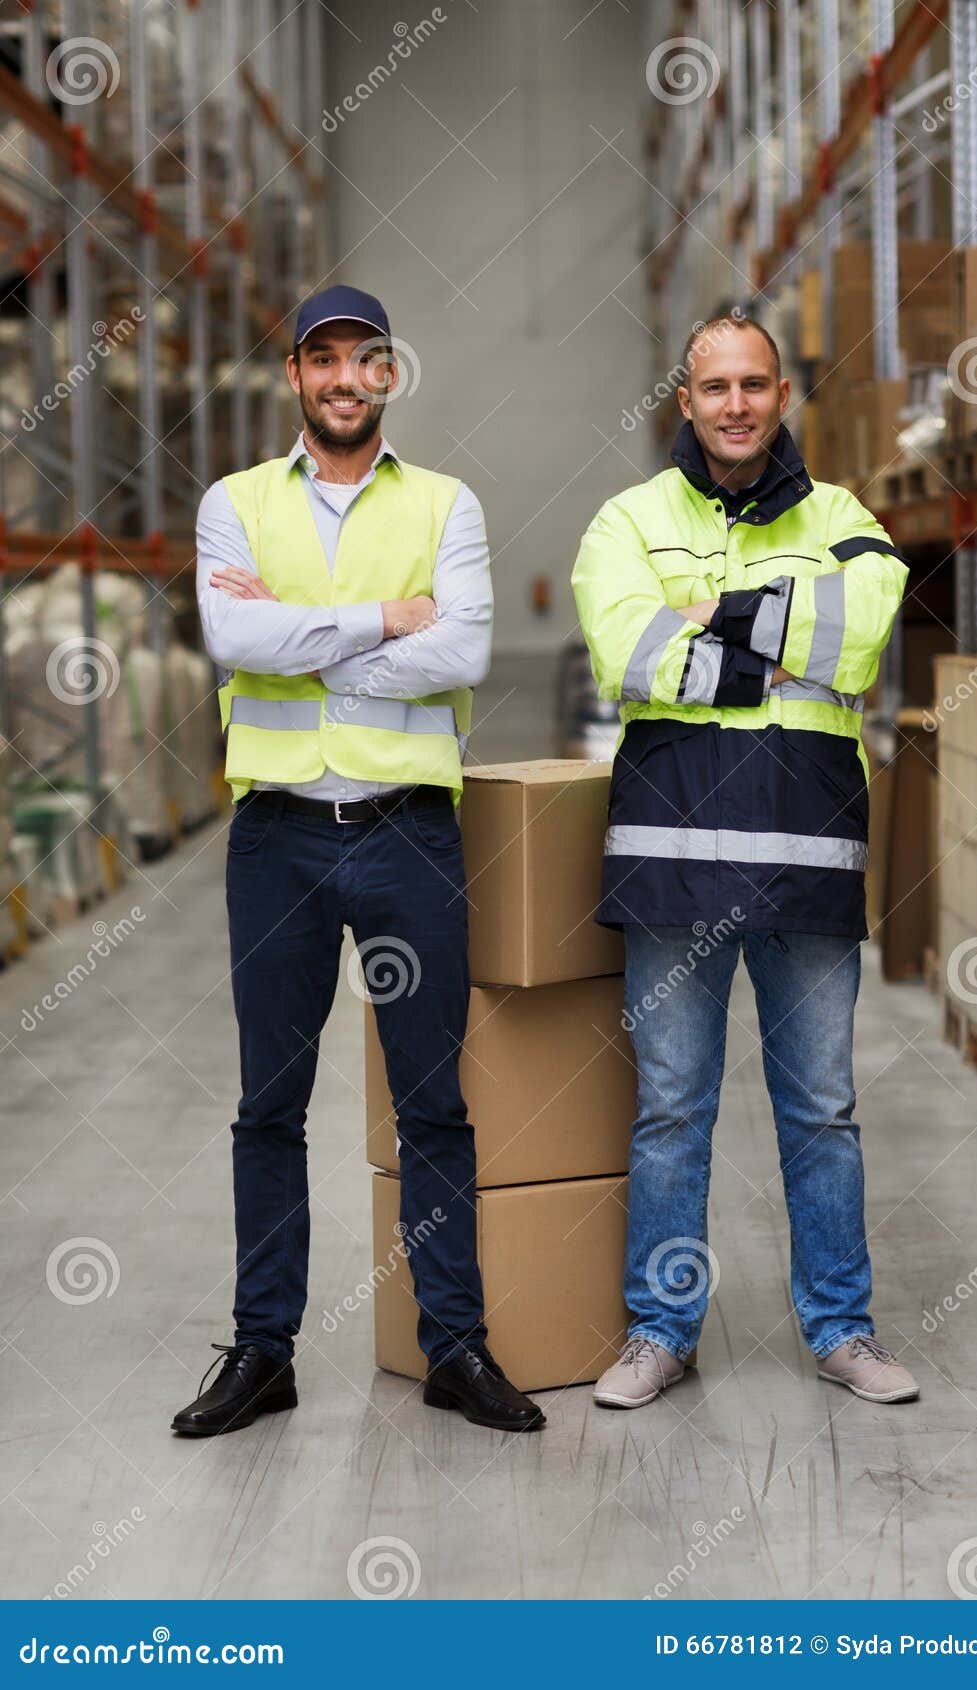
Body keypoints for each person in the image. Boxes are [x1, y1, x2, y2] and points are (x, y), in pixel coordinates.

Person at [173, 284, 544, 1437]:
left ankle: (455, 1348)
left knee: (434, 1101)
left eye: (363, 359)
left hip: (407, 836)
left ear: (389, 374)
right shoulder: (232, 503)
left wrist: (306, 643)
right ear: (294, 375)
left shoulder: (447, 503)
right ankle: (263, 1350)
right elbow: (233, 638)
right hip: (276, 839)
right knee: (267, 1104)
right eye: (321, 359)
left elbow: (466, 647)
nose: (342, 379)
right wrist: (390, 618)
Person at [571, 314, 919, 1410]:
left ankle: (842, 1328)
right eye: (712, 386)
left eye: (752, 385)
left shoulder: (844, 517)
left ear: (781, 396)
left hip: (805, 857)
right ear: (683, 399)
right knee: (672, 1107)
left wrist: (703, 623)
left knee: (819, 1107)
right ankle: (658, 1331)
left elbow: (859, 635)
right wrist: (770, 633)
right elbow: (621, 647)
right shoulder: (622, 520)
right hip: (672, 859)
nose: (732, 404)